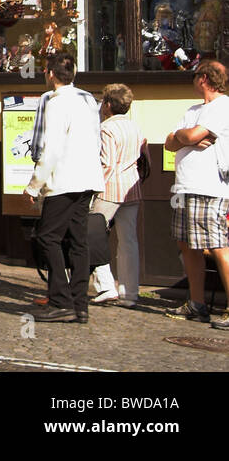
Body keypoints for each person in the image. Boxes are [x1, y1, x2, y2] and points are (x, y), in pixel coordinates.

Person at [24, 53, 104, 324]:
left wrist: (35, 185)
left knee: (47, 237)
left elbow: (52, 148)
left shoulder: (56, 103)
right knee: (78, 241)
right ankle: (80, 303)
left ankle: (61, 301)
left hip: (65, 180)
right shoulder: (88, 99)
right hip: (88, 177)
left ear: (49, 74)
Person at [163, 59, 229, 327]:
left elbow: (190, 138)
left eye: (195, 75)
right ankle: (197, 303)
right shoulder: (192, 110)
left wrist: (184, 137)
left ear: (204, 78)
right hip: (185, 186)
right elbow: (170, 143)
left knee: (217, 247)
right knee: (187, 245)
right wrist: (182, 134)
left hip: (208, 187)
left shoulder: (222, 106)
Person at [90, 84, 145, 307]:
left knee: (93, 235)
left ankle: (106, 286)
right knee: (128, 240)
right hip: (132, 186)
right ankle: (130, 292)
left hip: (110, 189)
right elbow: (144, 159)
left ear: (108, 105)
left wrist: (94, 189)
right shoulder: (135, 127)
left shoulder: (106, 129)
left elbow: (107, 164)